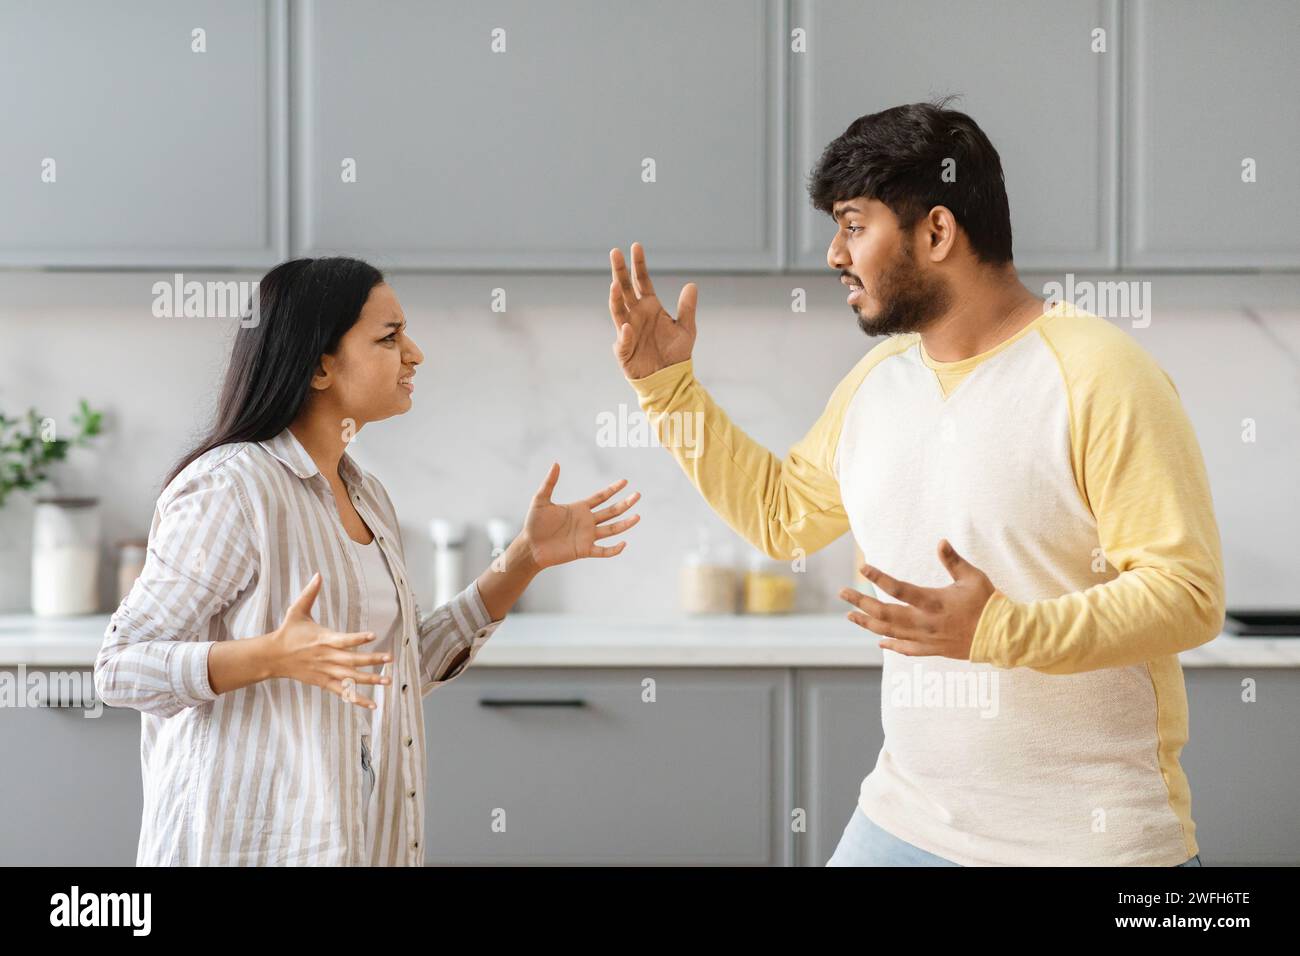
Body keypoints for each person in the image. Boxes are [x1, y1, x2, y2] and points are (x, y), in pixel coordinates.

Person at [605, 100, 1223, 866]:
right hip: (906, 824)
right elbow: (782, 514)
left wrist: (1000, 632)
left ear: (936, 231)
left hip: (1089, 841)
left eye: (854, 224)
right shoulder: (877, 381)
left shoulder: (1100, 373)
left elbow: (1187, 595)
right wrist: (669, 390)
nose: (834, 254)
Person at [95, 256, 640, 865]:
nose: (415, 354)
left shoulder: (367, 496)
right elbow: (119, 669)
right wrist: (267, 657)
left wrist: (522, 561)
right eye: (390, 337)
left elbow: (394, 674)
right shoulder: (233, 488)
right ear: (322, 365)